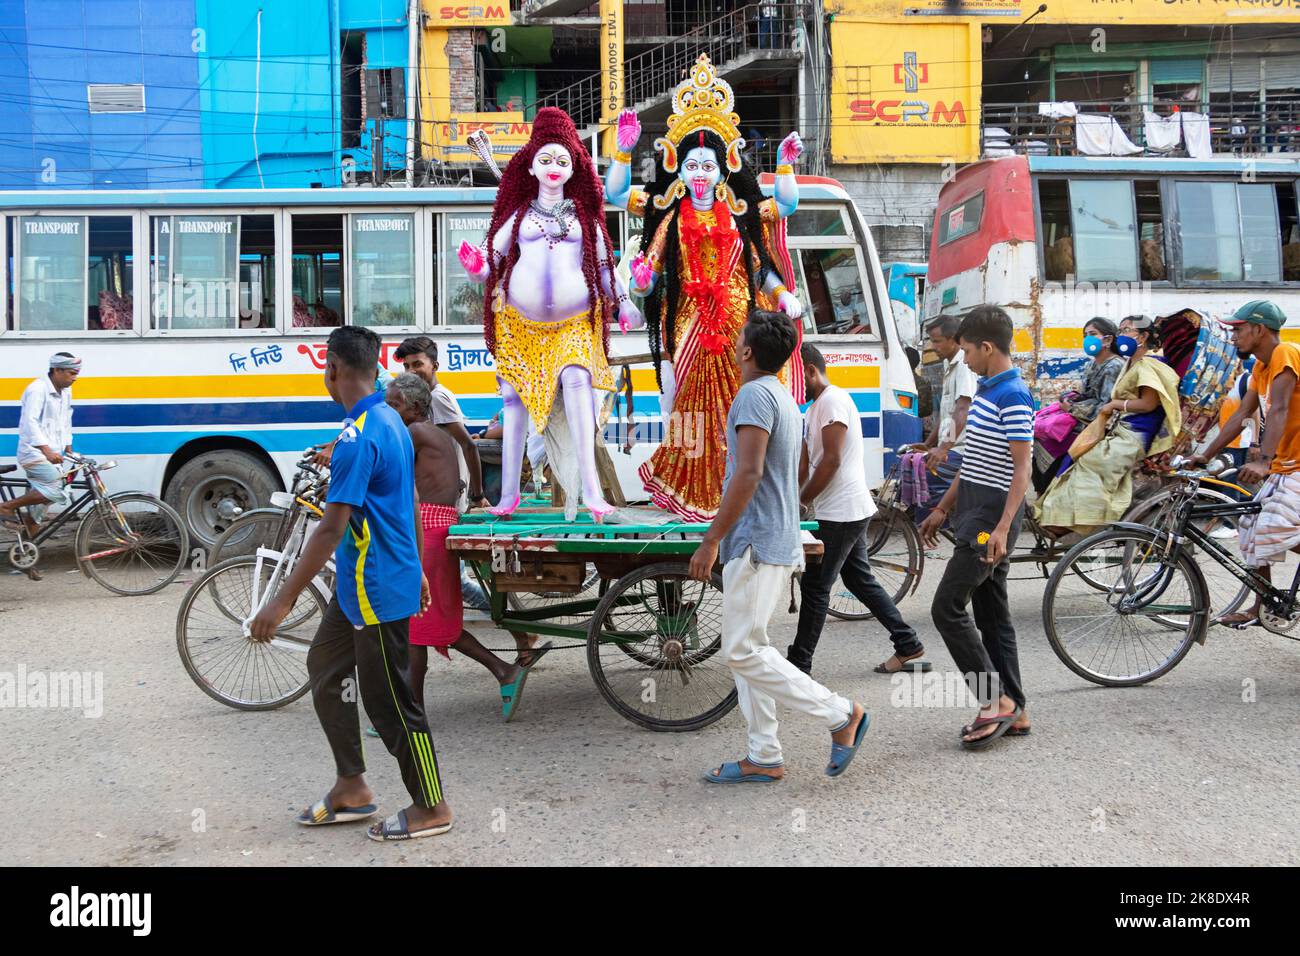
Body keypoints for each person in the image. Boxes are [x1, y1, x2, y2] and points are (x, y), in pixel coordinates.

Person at [249, 326, 451, 843]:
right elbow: (404, 498)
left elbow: (331, 527)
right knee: (325, 665)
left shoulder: (357, 436)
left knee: (389, 703)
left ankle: (431, 806)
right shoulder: (388, 419)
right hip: (368, 583)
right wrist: (420, 567)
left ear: (332, 369)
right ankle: (352, 786)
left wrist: (280, 600)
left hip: (375, 587)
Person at [607, 55, 807, 521]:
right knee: (688, 413)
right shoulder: (670, 215)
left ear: (724, 170)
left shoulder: (740, 214)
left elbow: (783, 215)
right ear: (678, 168)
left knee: (747, 412)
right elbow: (618, 199)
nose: (699, 172)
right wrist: (621, 151)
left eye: (708, 165)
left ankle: (743, 493)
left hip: (742, 333)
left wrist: (783, 165)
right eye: (692, 164)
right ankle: (691, 497)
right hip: (688, 328)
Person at [690, 312, 868, 784]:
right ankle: (764, 754)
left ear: (748, 351)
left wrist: (711, 540)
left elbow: (748, 474)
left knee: (742, 652)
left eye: (737, 340)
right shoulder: (784, 399)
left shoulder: (753, 395)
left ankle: (840, 714)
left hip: (756, 541)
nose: (733, 345)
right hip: (771, 537)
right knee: (752, 648)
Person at [458, 106, 642, 521]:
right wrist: (475, 266)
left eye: (562, 160)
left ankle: (593, 493)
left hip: (573, 324)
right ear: (532, 168)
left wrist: (624, 302)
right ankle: (508, 495)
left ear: (574, 166)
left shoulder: (584, 216)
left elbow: (604, 268)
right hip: (520, 326)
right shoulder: (520, 215)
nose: (554, 167)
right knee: (512, 400)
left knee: (577, 377)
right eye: (546, 160)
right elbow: (492, 260)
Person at [385, 373, 550, 719]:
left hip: (426, 530)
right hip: (440, 525)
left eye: (394, 404)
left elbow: (387, 471)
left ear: (414, 407)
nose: (389, 410)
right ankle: (503, 672)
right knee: (433, 619)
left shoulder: (413, 433)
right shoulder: (439, 435)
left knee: (415, 627)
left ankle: (410, 711)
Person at [919, 305, 1033, 749]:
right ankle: (1016, 708)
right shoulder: (987, 390)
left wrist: (1003, 528)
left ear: (987, 347)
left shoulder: (1014, 395)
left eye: (966, 350)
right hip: (973, 512)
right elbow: (975, 462)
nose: (963, 358)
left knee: (946, 607)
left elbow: (1021, 470)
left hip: (989, 524)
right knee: (992, 615)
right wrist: (943, 508)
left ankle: (993, 701)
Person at [787, 343, 928, 676]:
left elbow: (832, 461)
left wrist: (803, 501)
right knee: (859, 580)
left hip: (843, 511)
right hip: (840, 509)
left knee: (816, 585)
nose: (794, 386)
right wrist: (790, 498)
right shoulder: (813, 410)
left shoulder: (833, 401)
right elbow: (806, 464)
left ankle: (799, 662)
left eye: (795, 377)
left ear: (809, 370)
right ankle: (907, 644)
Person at [1190, 301, 1299, 627]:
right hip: (1286, 465)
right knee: (1250, 528)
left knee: (1272, 527)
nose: (1233, 336)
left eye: (1238, 329)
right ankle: (1262, 606)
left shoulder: (1285, 354)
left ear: (1259, 329)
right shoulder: (1259, 368)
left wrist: (1263, 461)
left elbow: (1278, 409)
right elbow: (1239, 417)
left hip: (1294, 465)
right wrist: (1204, 456)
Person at [1036, 315, 1182, 535]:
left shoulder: (1150, 363)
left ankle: (1086, 521)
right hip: (1121, 427)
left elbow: (1149, 403)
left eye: (1127, 330)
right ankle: (1065, 519)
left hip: (1137, 432)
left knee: (1095, 464)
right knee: (1078, 459)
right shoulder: (1131, 362)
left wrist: (1115, 404)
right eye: (1121, 330)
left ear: (1142, 336)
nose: (1122, 335)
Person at [393, 335, 487, 510]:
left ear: (434, 366)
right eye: (406, 366)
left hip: (447, 497)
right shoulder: (429, 396)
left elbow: (468, 445)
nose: (411, 371)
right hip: (442, 492)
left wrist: (478, 495)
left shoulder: (437, 398)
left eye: (417, 364)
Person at [1033, 317, 1125, 492]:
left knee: (1048, 443)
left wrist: (1072, 408)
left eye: (1092, 334)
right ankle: (1043, 492)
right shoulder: (1092, 363)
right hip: (1081, 418)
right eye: (1085, 335)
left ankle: (1046, 492)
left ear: (1108, 339)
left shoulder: (1113, 366)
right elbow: (1087, 394)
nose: (1087, 339)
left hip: (1096, 425)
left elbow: (1106, 406)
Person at [0, 353, 80, 542]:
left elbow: (65, 421)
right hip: (33, 452)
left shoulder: (66, 391)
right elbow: (30, 422)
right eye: (71, 373)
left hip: (53, 453)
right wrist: (46, 450)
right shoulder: (37, 389)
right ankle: (6, 506)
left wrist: (68, 448)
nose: (75, 378)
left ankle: (28, 551)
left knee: (43, 505)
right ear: (57, 370)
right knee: (58, 489)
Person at [911, 315, 976, 523]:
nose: (933, 346)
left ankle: (935, 525)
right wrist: (929, 442)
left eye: (937, 341)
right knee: (914, 463)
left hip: (962, 448)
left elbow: (962, 410)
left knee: (928, 473)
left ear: (954, 339)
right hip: (952, 446)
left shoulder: (964, 367)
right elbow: (947, 413)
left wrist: (943, 448)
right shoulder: (950, 365)